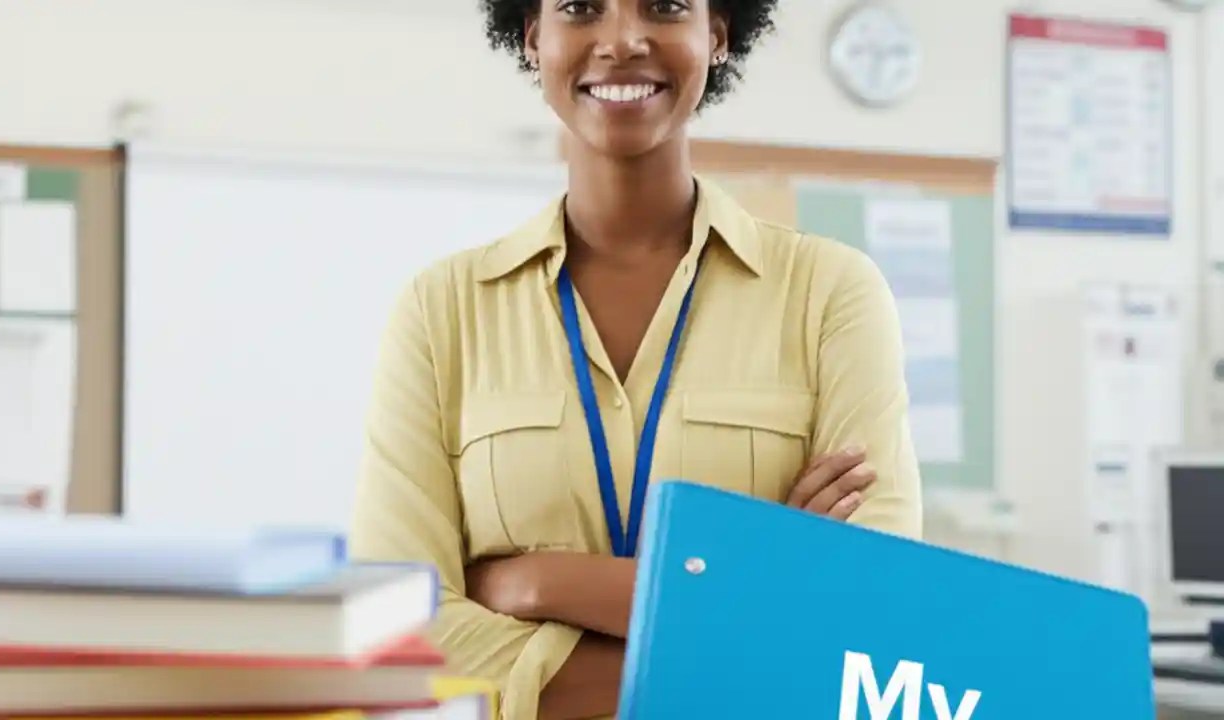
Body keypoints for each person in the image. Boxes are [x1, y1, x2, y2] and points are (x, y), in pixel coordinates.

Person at [350, 0, 922, 717]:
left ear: (716, 35)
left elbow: (872, 613)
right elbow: (399, 626)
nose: (621, 40)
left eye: (666, 6)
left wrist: (541, 583)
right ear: (534, 38)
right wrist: (755, 595)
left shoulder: (829, 294)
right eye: (580, 8)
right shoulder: (442, 311)